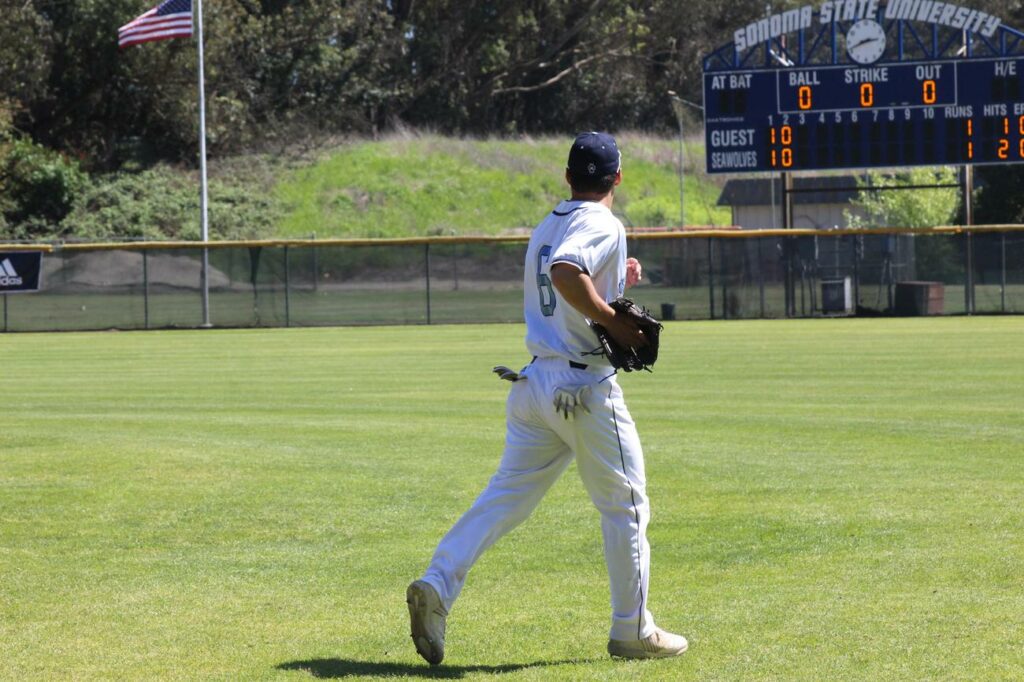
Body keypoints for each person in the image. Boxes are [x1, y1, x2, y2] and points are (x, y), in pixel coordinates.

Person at [406, 131, 687, 665]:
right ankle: (633, 629)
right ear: (618, 179)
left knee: (503, 499)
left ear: (567, 177)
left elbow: (561, 270)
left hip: (535, 385)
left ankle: (438, 585)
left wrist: (613, 281)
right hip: (582, 390)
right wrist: (608, 317)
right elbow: (567, 274)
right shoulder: (602, 221)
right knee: (626, 507)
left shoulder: (549, 223)